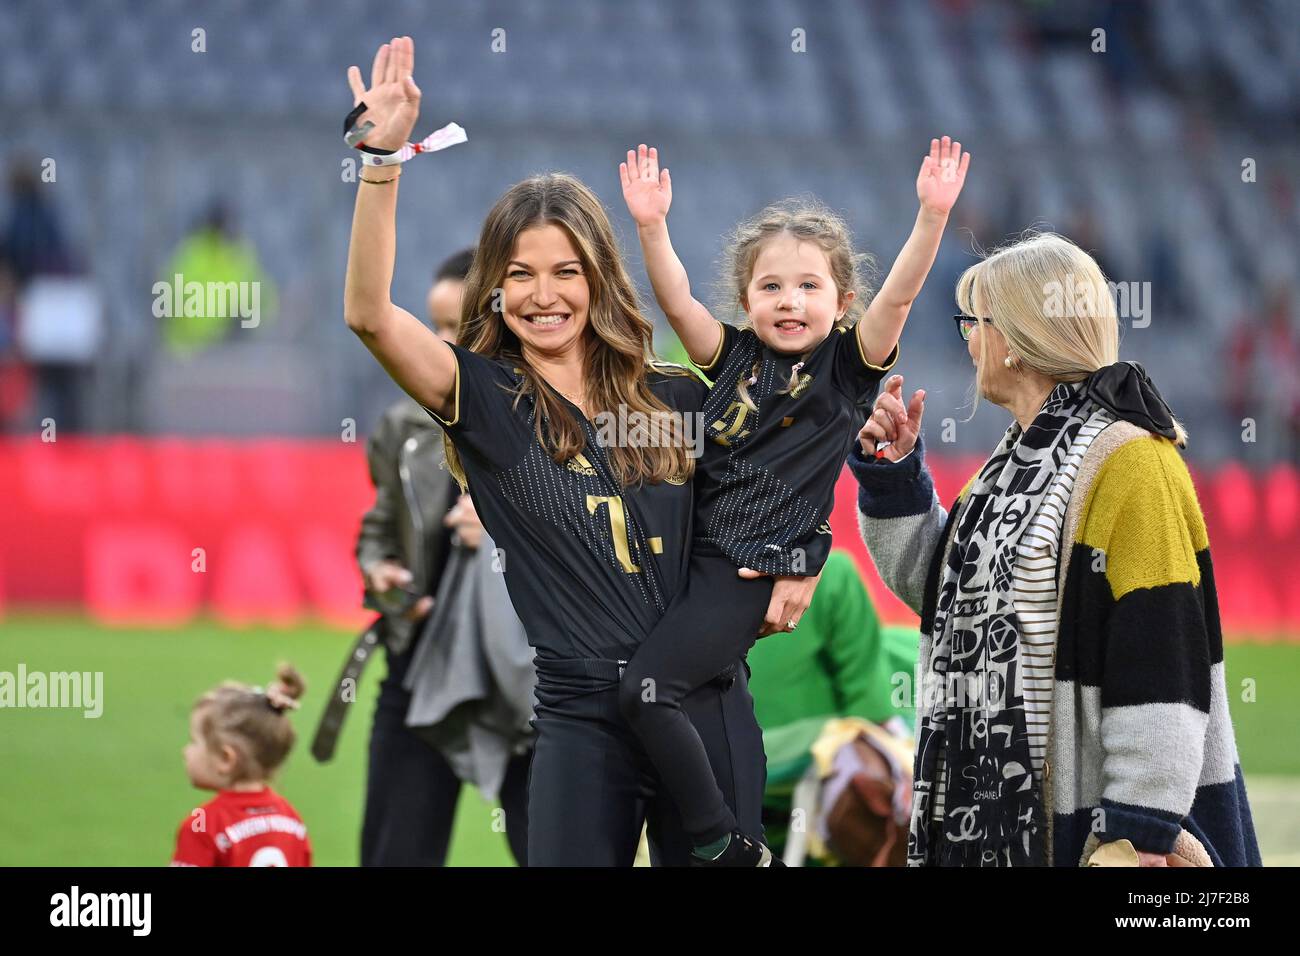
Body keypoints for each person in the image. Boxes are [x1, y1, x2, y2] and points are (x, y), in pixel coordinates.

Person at [341, 37, 818, 865]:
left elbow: (781, 475)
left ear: (598, 276)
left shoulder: (677, 397)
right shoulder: (485, 402)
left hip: (703, 713)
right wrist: (382, 163)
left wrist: (807, 550)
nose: (544, 294)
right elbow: (370, 315)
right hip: (577, 721)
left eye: (565, 270)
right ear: (495, 286)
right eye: (520, 274)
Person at [851, 231, 1261, 867]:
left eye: (974, 321)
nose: (967, 339)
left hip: (1091, 837)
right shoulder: (1018, 456)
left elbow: (1162, 655)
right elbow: (945, 598)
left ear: (1016, 340)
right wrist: (896, 475)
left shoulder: (1129, 462)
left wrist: (1138, 828)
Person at [614, 138, 969, 864]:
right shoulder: (732, 358)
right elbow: (676, 299)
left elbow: (898, 294)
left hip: (741, 575)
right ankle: (710, 826)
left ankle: (723, 840)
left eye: (809, 287)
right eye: (771, 287)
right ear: (746, 301)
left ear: (842, 303)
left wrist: (931, 216)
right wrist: (652, 227)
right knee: (682, 698)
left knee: (647, 692)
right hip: (684, 561)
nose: (789, 301)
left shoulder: (846, 371)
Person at [354, 246, 531, 867]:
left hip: (532, 680)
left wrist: (509, 525)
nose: (441, 340)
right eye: (434, 324)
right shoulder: (405, 425)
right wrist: (382, 574)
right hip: (421, 661)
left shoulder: (562, 419)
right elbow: (378, 529)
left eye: (458, 325)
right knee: (394, 855)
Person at [170, 665, 312, 867]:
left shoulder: (203, 826)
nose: (186, 751)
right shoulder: (291, 820)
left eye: (194, 741)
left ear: (226, 759)